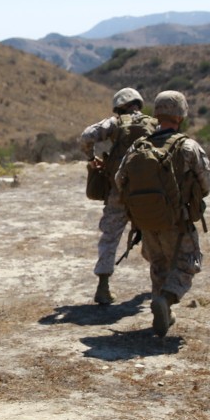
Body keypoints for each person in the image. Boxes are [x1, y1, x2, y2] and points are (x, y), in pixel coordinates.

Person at [114, 91, 210, 337]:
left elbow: (119, 180)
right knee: (188, 264)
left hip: (146, 223)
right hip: (177, 222)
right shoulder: (188, 146)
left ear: (156, 114)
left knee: (158, 264)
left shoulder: (139, 145)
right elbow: (207, 184)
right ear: (181, 116)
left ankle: (163, 311)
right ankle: (166, 300)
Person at [78, 87, 157, 305]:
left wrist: (91, 158)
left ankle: (103, 287)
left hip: (118, 190)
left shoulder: (114, 123)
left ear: (118, 107)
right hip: (147, 193)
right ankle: (159, 286)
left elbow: (86, 136)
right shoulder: (154, 124)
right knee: (153, 232)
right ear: (138, 104)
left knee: (110, 236)